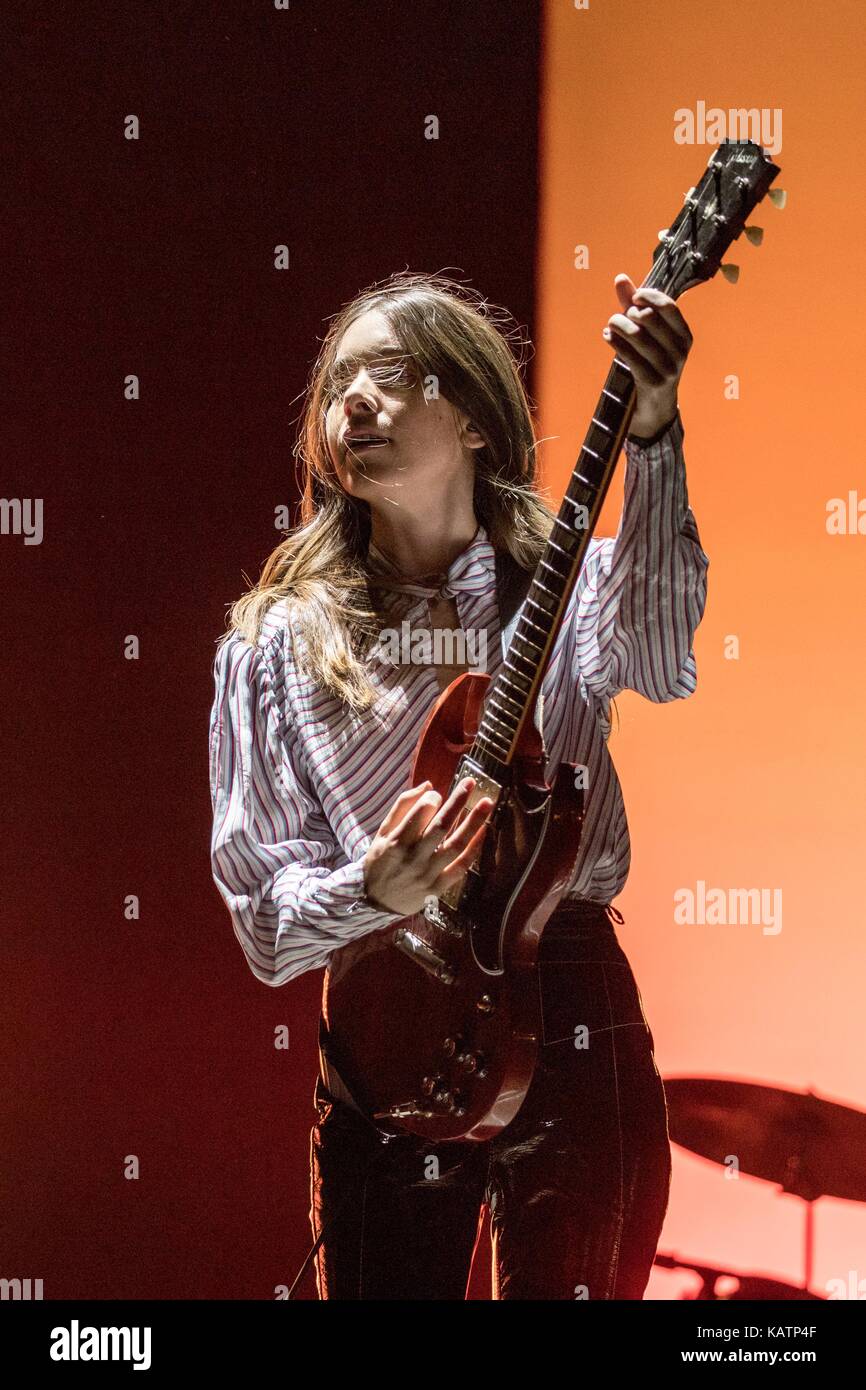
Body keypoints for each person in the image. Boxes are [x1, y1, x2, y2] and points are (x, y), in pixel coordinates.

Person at [208, 270, 709, 1299]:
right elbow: (263, 921)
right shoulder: (271, 646)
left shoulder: (564, 585)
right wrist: (367, 893)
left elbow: (660, 661)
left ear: (477, 420)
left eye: (391, 375)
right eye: (338, 381)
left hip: (565, 991)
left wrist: (652, 437)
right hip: (387, 1019)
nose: (354, 399)